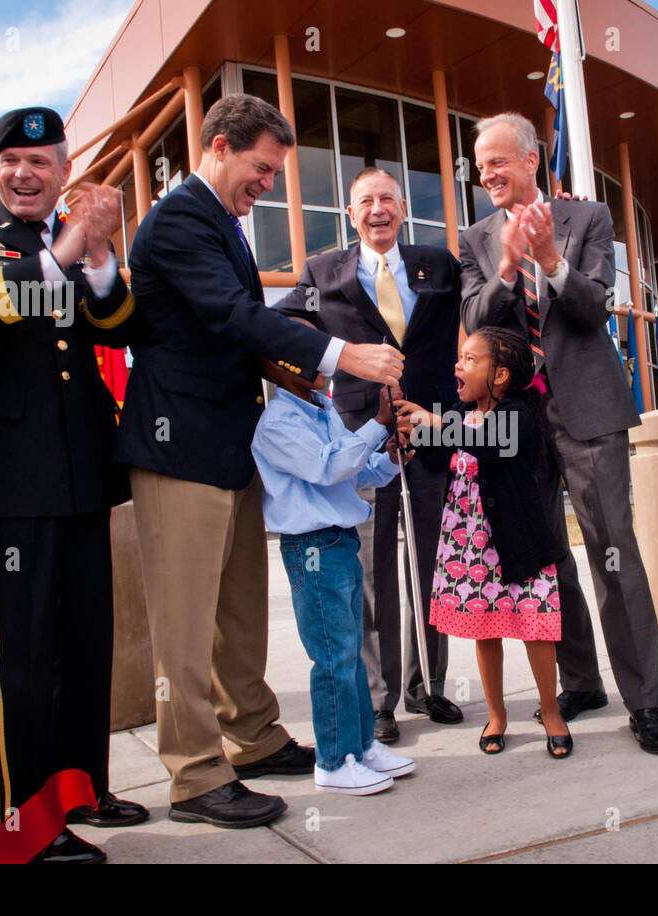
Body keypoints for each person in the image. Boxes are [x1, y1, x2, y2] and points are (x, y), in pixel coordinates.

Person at [117, 93, 403, 827]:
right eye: (262, 168)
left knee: (238, 611)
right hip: (178, 444)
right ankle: (194, 774)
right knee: (184, 624)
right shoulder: (180, 217)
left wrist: (282, 372)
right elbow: (232, 315)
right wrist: (343, 354)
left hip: (229, 444)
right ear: (217, 145)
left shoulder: (226, 225)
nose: (268, 184)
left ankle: (252, 736)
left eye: (274, 172)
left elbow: (231, 334)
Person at [0, 106, 147, 863]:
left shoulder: (75, 238)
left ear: (62, 168)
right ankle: (26, 822)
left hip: (83, 469)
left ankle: (81, 790)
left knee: (86, 645)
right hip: (8, 480)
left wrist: (102, 252)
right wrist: (64, 253)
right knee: (20, 654)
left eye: (40, 161)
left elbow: (118, 325)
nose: (24, 174)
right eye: (11, 160)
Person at [459, 112, 658, 755]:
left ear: (531, 160)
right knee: (547, 556)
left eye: (498, 161)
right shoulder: (475, 239)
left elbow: (594, 307)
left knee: (612, 549)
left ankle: (645, 704)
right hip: (517, 424)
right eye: (480, 167)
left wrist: (550, 258)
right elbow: (473, 319)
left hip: (587, 409)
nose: (488, 175)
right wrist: (505, 266)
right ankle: (581, 681)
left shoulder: (588, 220)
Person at [275, 167, 462, 742]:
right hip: (361, 431)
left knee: (430, 562)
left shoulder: (439, 263)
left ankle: (427, 685)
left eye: (386, 199)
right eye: (365, 201)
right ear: (350, 213)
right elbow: (282, 323)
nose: (377, 209)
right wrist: (337, 359)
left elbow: (477, 308)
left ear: (402, 209)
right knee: (375, 567)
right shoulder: (322, 271)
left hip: (431, 426)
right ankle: (380, 701)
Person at [251, 330, 417, 794]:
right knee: (333, 657)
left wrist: (390, 453)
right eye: (308, 356)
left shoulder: (322, 410)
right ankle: (333, 761)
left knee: (352, 650)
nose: (322, 364)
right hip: (312, 549)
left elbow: (357, 471)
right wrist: (377, 423)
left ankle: (361, 746)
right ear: (283, 366)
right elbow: (328, 466)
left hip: (340, 542)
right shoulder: (279, 423)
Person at [397, 327, 572, 758]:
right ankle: (497, 715)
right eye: (459, 357)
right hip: (469, 546)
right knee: (485, 629)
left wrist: (436, 423)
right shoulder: (457, 412)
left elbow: (490, 444)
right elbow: (436, 447)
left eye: (471, 359)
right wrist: (410, 434)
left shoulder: (518, 416)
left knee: (536, 629)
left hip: (517, 539)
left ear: (500, 376)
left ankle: (551, 710)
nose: (459, 365)